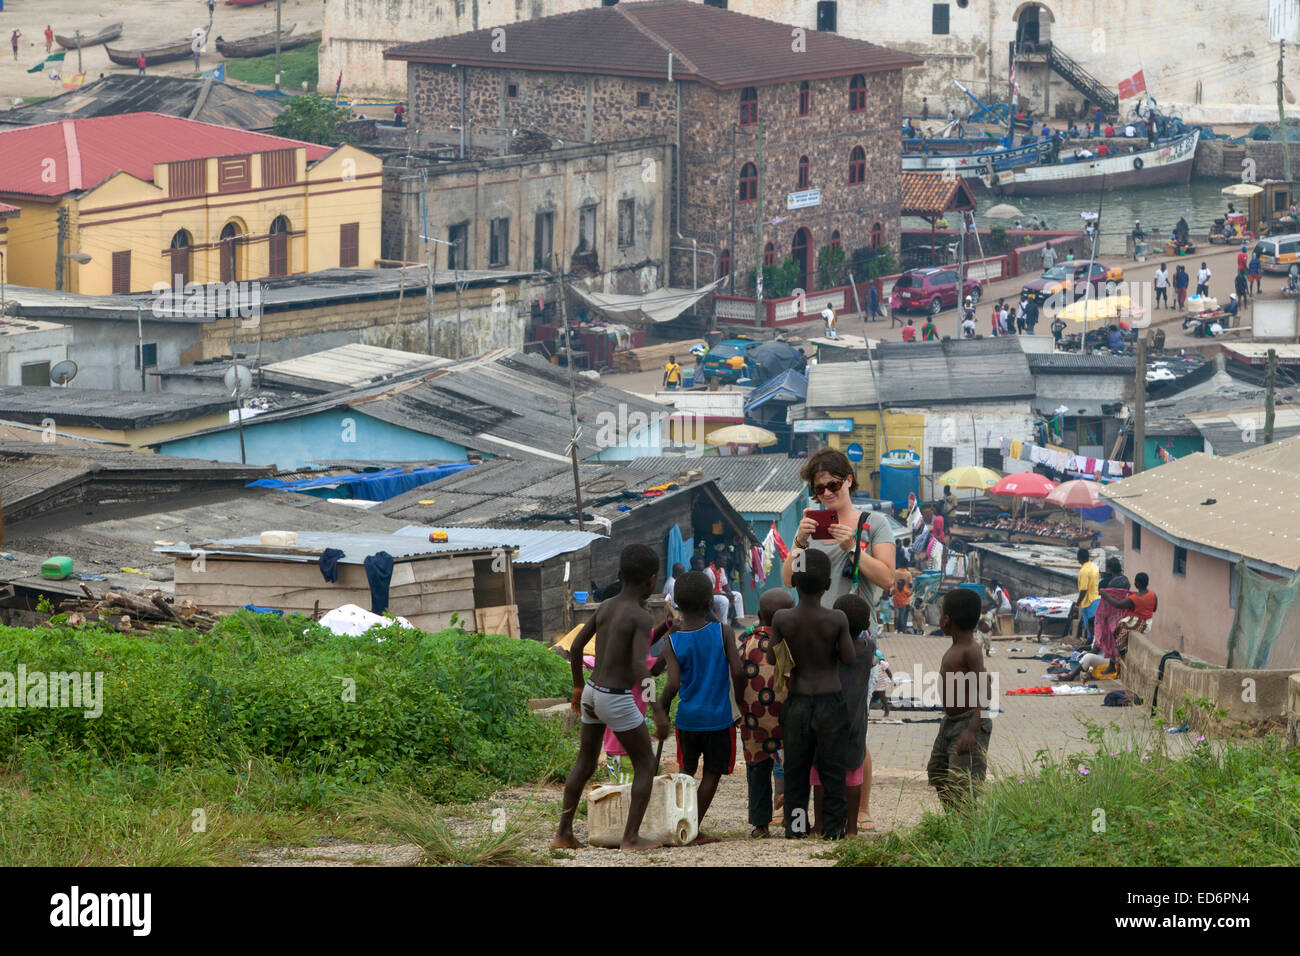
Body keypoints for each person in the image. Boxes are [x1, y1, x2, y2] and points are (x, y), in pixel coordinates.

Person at [555, 544, 669, 851]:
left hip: (593, 691)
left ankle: (563, 833)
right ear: (652, 580)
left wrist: (578, 687)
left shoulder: (605, 606)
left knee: (585, 761)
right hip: (615, 698)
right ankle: (630, 838)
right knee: (645, 764)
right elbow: (637, 666)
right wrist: (657, 709)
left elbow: (577, 647)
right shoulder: (641, 616)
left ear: (619, 575)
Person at [768, 548, 855, 840]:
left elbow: (773, 660)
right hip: (831, 702)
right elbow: (848, 658)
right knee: (833, 770)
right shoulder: (837, 619)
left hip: (797, 702)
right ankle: (833, 831)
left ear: (793, 582)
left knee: (796, 770)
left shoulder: (782, 618)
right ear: (828, 585)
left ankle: (796, 828)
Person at [658, 569, 743, 845]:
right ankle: (692, 828)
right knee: (712, 774)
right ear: (711, 603)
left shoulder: (672, 640)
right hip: (719, 720)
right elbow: (738, 672)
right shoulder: (723, 632)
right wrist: (739, 703)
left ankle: (676, 825)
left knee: (686, 772)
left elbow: (671, 685)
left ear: (678, 605)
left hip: (687, 720)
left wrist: (660, 710)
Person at [784, 446, 896, 632]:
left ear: (849, 480)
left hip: (855, 634)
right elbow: (789, 580)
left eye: (833, 485)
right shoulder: (810, 526)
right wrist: (800, 542)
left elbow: (886, 580)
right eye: (819, 488)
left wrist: (851, 548)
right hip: (814, 633)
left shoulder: (874, 523)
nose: (827, 493)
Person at [809, 594, 875, 837]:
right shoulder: (869, 651)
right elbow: (868, 641)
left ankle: (819, 826)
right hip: (855, 724)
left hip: (824, 721)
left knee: (819, 776)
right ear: (866, 627)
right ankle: (851, 828)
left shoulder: (827, 650)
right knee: (852, 777)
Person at [926, 588, 992, 811]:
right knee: (937, 771)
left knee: (963, 783)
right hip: (950, 723)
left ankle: (964, 825)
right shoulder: (956, 648)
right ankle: (954, 819)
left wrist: (972, 730)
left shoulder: (970, 650)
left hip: (968, 723)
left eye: (941, 611)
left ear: (947, 619)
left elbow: (985, 691)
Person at [737, 590, 794, 838]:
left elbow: (736, 677)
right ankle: (793, 819)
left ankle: (760, 824)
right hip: (787, 719)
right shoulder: (788, 645)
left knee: (757, 769)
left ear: (759, 615)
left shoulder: (746, 643)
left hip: (753, 719)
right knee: (795, 768)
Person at [705, 553, 743, 625]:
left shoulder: (721, 570)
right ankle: (723, 624)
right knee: (724, 600)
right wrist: (725, 594)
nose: (725, 563)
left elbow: (725, 584)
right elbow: (709, 590)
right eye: (724, 561)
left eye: (726, 561)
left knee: (738, 595)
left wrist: (730, 593)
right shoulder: (708, 571)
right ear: (717, 560)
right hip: (710, 595)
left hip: (719, 593)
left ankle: (735, 621)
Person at [1073, 548, 1100, 643]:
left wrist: (1077, 604)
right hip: (1096, 600)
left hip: (1088, 602)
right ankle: (1090, 645)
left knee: (1090, 630)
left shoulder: (1084, 570)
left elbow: (1084, 590)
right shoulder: (1094, 566)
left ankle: (1090, 647)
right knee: (1095, 628)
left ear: (1079, 558)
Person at [870, 650, 893, 717]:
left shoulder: (882, 664)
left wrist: (891, 679)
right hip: (872, 684)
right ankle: (867, 712)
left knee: (883, 698)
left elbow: (888, 672)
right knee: (869, 699)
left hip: (881, 685)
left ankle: (887, 711)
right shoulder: (870, 664)